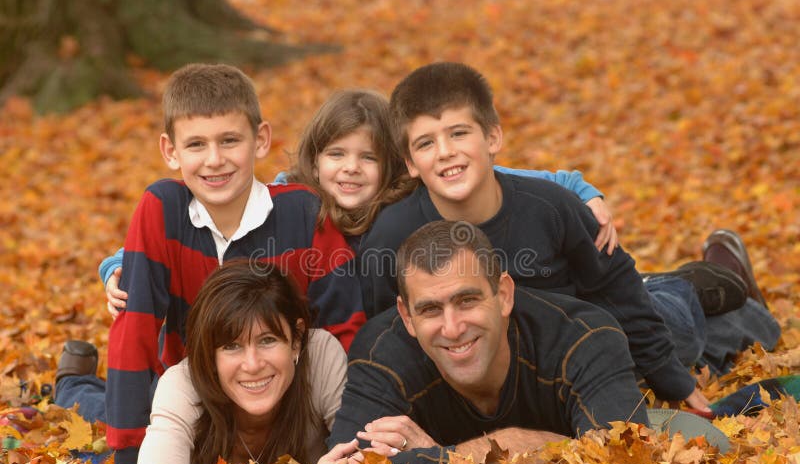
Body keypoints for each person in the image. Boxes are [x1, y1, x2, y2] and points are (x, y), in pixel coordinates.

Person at [358, 61, 780, 412]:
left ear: (493, 137)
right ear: (410, 162)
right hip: (511, 364)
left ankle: (716, 294)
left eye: (458, 133)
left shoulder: (550, 207)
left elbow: (615, 287)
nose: (446, 151)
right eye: (426, 143)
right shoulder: (392, 239)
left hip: (593, 328)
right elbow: (393, 332)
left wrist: (674, 382)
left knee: (673, 338)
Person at [54, 63, 365, 464]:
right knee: (107, 420)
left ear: (260, 140)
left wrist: (345, 443)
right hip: (194, 396)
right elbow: (136, 329)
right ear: (170, 151)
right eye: (196, 144)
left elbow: (345, 331)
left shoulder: (303, 213)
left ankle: (78, 384)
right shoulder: (163, 210)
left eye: (230, 140)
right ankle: (70, 385)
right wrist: (127, 451)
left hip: (282, 395)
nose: (214, 160)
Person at [100, 89, 619, 317]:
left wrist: (578, 189)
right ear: (314, 158)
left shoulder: (408, 202)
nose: (349, 169)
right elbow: (199, 219)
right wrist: (119, 265)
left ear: (392, 165)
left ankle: (686, 292)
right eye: (335, 154)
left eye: (366, 158)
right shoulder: (288, 197)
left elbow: (497, 174)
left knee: (655, 301)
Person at [327, 220, 650, 464]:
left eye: (467, 300)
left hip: (656, 326)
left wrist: (439, 459)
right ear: (407, 316)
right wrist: (555, 445)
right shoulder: (382, 352)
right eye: (430, 310)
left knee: (680, 322)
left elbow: (622, 459)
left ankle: (691, 284)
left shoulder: (583, 337)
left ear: (504, 295)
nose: (452, 328)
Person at [136, 259, 355, 464]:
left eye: (267, 340)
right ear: (210, 355)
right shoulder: (181, 385)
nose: (252, 365)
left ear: (296, 339)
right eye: (232, 346)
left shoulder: (321, 357)